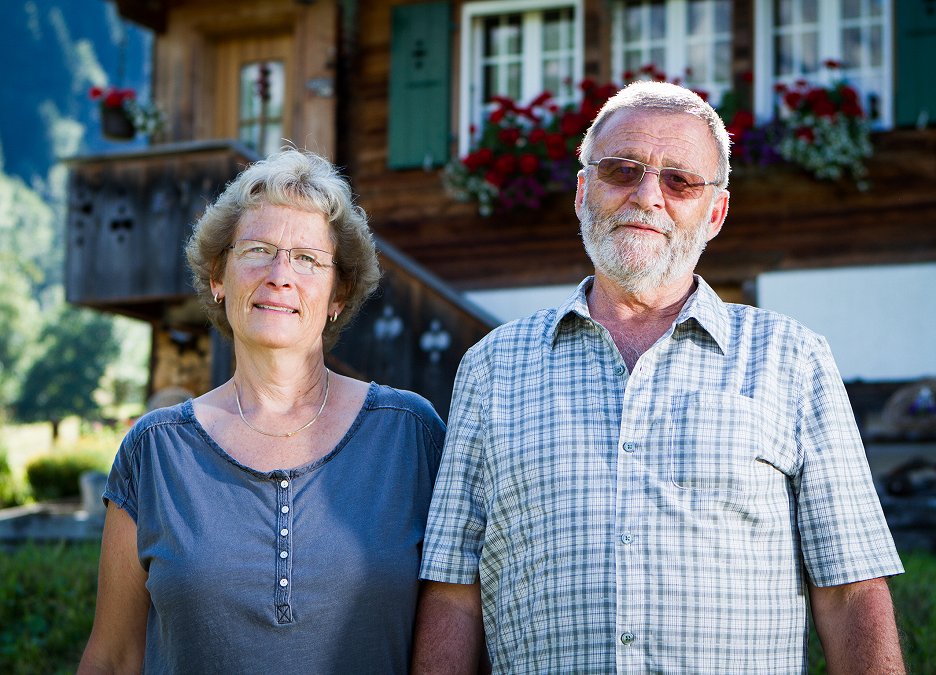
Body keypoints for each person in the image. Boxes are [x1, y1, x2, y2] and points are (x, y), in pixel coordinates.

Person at [413, 81, 905, 674]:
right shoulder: (491, 367)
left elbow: (851, 588)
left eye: (680, 181)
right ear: (582, 191)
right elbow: (452, 588)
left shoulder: (791, 360)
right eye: (622, 170)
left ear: (715, 212)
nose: (648, 196)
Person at [79, 149, 445, 674]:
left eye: (307, 258)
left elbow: (462, 628)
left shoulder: (410, 434)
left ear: (338, 292)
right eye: (257, 250)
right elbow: (113, 659)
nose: (280, 274)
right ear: (218, 277)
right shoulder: (155, 448)